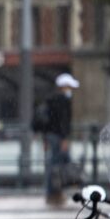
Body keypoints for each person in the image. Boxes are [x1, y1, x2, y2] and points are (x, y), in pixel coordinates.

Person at [42, 72, 78, 206]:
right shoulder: (63, 101)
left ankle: (55, 193)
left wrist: (45, 138)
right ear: (64, 86)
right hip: (58, 137)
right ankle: (56, 192)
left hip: (51, 136)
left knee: (55, 166)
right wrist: (64, 138)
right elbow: (63, 122)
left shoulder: (50, 100)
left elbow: (47, 122)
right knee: (59, 166)